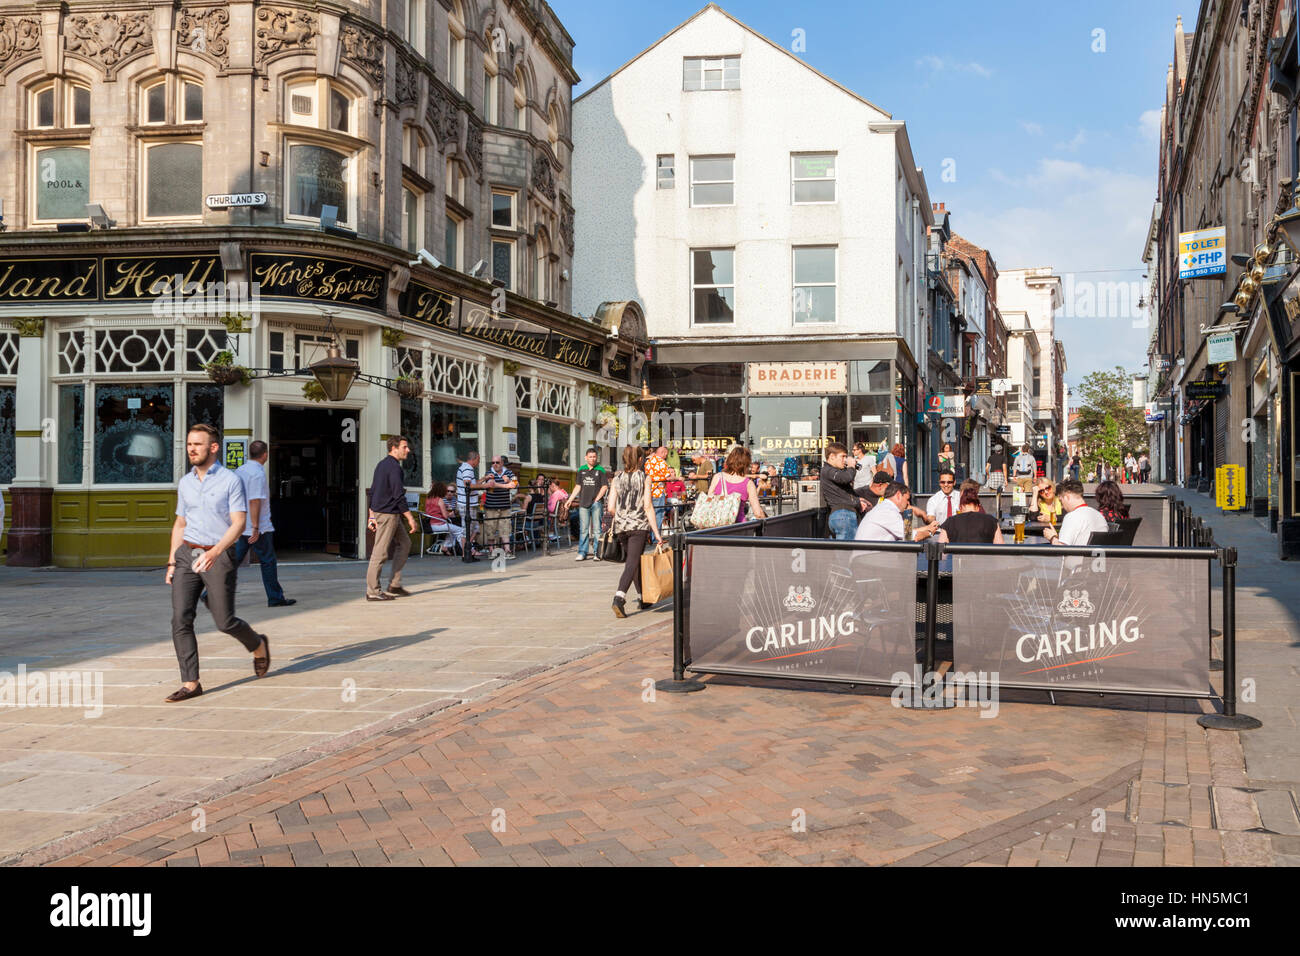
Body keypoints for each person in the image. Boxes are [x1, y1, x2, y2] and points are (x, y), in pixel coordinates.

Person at [164, 424, 269, 702]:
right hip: (187, 554)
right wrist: (172, 561)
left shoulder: (230, 480)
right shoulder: (185, 483)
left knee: (224, 621)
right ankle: (191, 683)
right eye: (189, 444)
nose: (191, 449)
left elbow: (239, 523)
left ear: (213, 447)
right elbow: (180, 523)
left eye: (197, 444)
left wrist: (215, 553)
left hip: (219, 554)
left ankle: (258, 644)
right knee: (180, 618)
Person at [232, 440, 295, 607]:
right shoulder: (257, 474)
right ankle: (275, 597)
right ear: (265, 455)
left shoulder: (240, 471)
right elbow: (255, 501)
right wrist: (255, 527)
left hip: (241, 525)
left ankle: (209, 593)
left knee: (233, 561)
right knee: (268, 561)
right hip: (257, 528)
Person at [608, 445, 663, 617]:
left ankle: (642, 597)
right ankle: (619, 597)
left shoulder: (617, 479)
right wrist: (657, 533)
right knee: (632, 562)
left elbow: (610, 507)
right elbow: (648, 506)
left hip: (622, 526)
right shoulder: (645, 478)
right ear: (640, 459)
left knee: (634, 561)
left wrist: (622, 516)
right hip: (638, 526)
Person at [366, 435, 419, 600]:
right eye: (404, 447)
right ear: (394, 448)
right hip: (388, 514)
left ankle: (394, 585)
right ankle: (373, 591)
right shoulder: (395, 468)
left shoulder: (382, 465)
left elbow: (373, 491)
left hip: (388, 513)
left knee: (405, 543)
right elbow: (398, 495)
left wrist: (371, 516)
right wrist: (410, 518)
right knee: (380, 552)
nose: (408, 450)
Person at [568, 448, 609, 562]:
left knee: (597, 530)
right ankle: (582, 552)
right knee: (583, 529)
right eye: (590, 457)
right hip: (583, 503)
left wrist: (597, 499)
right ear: (586, 458)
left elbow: (604, 486)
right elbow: (578, 486)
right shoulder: (581, 470)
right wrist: (570, 499)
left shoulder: (600, 470)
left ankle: (597, 552)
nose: (592, 459)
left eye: (594, 457)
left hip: (596, 504)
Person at [709, 444, 767, 524]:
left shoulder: (718, 477)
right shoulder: (748, 483)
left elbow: (709, 499)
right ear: (746, 464)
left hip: (717, 525)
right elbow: (758, 513)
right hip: (738, 526)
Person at [1044, 480, 1109, 546]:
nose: (1062, 506)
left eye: (1061, 501)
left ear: (1067, 497)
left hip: (1079, 552)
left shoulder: (1072, 517)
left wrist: (1052, 538)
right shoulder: (1099, 516)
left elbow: (1062, 548)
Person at [936, 482, 1004, 544]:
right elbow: (1000, 548)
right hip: (984, 554)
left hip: (958, 554)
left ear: (960, 507)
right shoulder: (992, 521)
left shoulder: (949, 522)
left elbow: (941, 549)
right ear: (978, 507)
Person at [820, 442, 861, 540]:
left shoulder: (835, 471)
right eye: (842, 456)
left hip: (843, 515)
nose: (845, 460)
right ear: (832, 456)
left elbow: (844, 491)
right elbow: (845, 478)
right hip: (843, 515)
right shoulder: (828, 470)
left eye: (846, 457)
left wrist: (859, 501)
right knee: (848, 548)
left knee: (840, 548)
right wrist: (851, 466)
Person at [480, 455, 518, 558]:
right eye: (493, 462)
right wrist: (507, 485)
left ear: (502, 463)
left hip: (505, 506)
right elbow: (492, 485)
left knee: (505, 529)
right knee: (490, 529)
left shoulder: (509, 472)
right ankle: (491, 551)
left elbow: (515, 484)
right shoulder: (489, 473)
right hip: (491, 506)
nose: (495, 464)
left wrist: (508, 482)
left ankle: (507, 551)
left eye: (497, 462)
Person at [455, 451, 485, 563]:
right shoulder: (468, 468)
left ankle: (468, 550)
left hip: (469, 503)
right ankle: (466, 553)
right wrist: (486, 486)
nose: (479, 462)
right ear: (474, 459)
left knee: (475, 528)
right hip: (466, 503)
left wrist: (484, 478)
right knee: (467, 530)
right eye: (478, 460)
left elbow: (473, 483)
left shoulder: (465, 467)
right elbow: (468, 485)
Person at [423, 480, 466, 555]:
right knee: (461, 531)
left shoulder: (428, 498)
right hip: (439, 525)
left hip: (429, 525)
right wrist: (451, 514)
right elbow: (445, 516)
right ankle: (465, 552)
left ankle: (445, 546)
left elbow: (433, 510)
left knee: (453, 529)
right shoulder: (440, 500)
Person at [645, 444, 671, 528]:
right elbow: (668, 477)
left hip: (648, 492)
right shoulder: (662, 462)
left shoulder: (648, 461)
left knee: (649, 515)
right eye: (666, 454)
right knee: (658, 515)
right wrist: (678, 478)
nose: (666, 456)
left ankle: (650, 534)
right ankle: (656, 535)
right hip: (658, 492)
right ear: (663, 453)